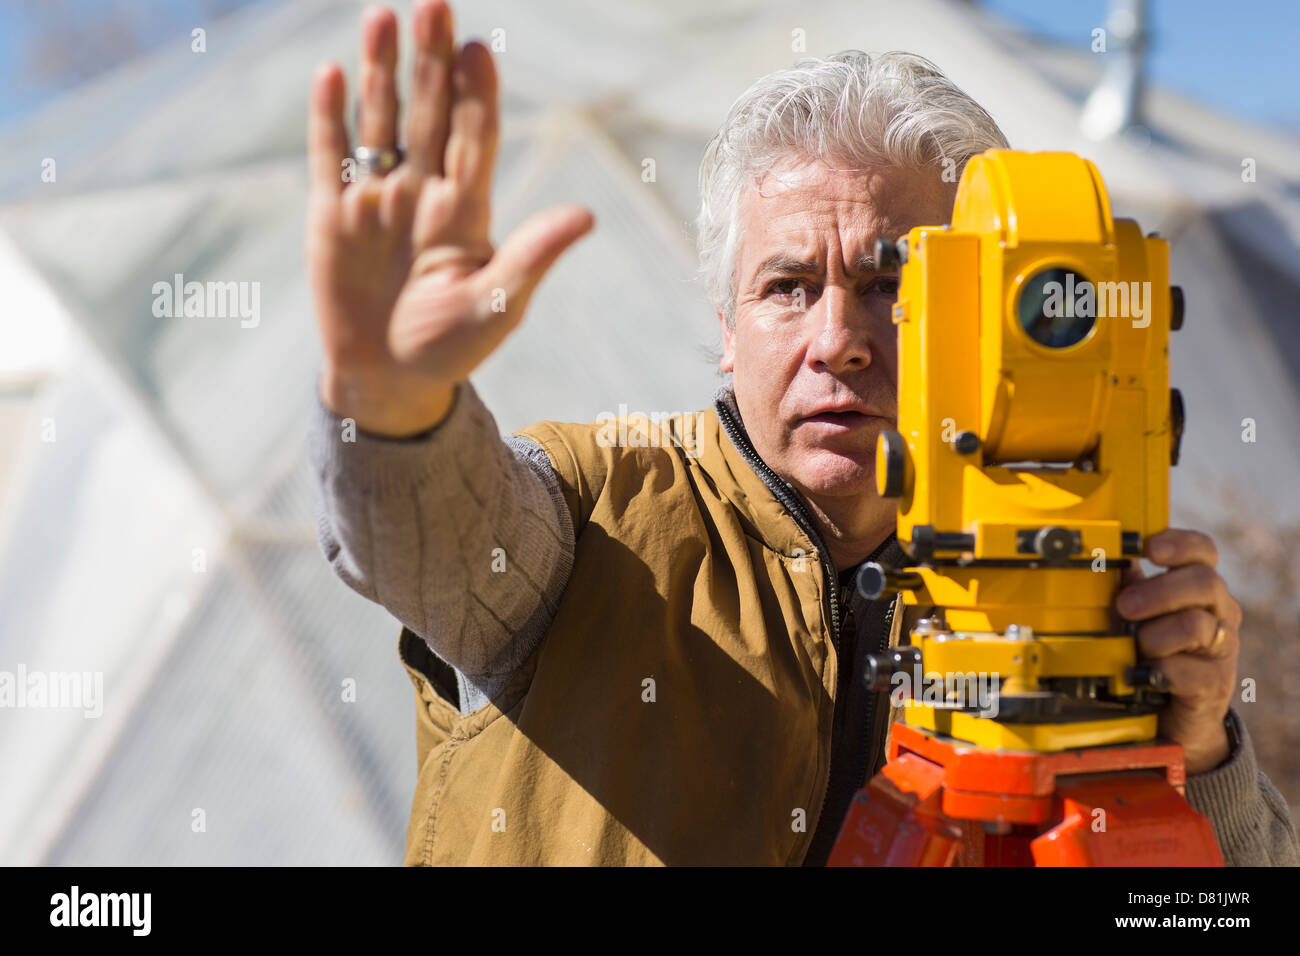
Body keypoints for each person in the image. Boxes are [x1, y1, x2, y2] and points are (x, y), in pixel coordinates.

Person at [306, 0, 1299, 866]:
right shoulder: (583, 511)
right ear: (727, 329)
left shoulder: (1073, 592)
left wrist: (1199, 747)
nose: (840, 342)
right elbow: (428, 531)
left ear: (984, 315)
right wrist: (390, 405)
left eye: (891, 287)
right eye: (788, 287)